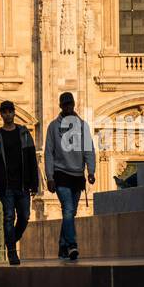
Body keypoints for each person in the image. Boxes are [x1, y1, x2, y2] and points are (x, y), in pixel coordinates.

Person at [0, 100, 41, 265]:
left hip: (23, 184)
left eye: (10, 111)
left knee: (25, 216)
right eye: (5, 112)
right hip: (5, 185)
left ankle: (12, 239)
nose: (8, 114)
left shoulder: (24, 134)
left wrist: (35, 183)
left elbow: (32, 159)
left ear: (14, 113)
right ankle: (11, 251)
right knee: (9, 216)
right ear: (1, 114)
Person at [44, 91, 96, 262]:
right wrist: (49, 176)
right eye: (65, 105)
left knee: (70, 213)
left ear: (73, 105)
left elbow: (89, 149)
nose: (68, 107)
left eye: (70, 104)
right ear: (60, 106)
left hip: (77, 175)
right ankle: (73, 245)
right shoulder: (53, 127)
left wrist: (91, 171)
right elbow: (49, 153)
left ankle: (62, 246)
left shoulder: (82, 126)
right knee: (67, 209)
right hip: (60, 174)